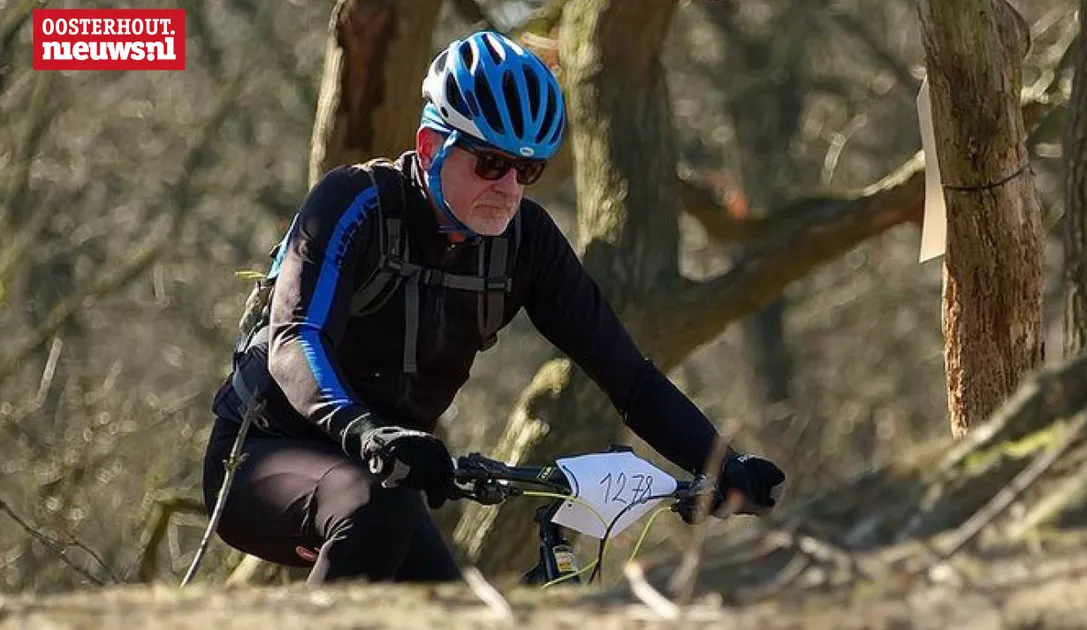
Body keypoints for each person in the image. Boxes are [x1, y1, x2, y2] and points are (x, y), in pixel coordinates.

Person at [201, 30, 785, 585]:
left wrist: (722, 465)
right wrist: (369, 434)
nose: (508, 186)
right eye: (489, 163)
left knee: (458, 607)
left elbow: (629, 378)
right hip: (263, 456)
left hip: (390, 479)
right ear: (430, 145)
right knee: (376, 504)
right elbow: (295, 339)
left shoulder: (526, 242)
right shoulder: (357, 204)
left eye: (528, 170)